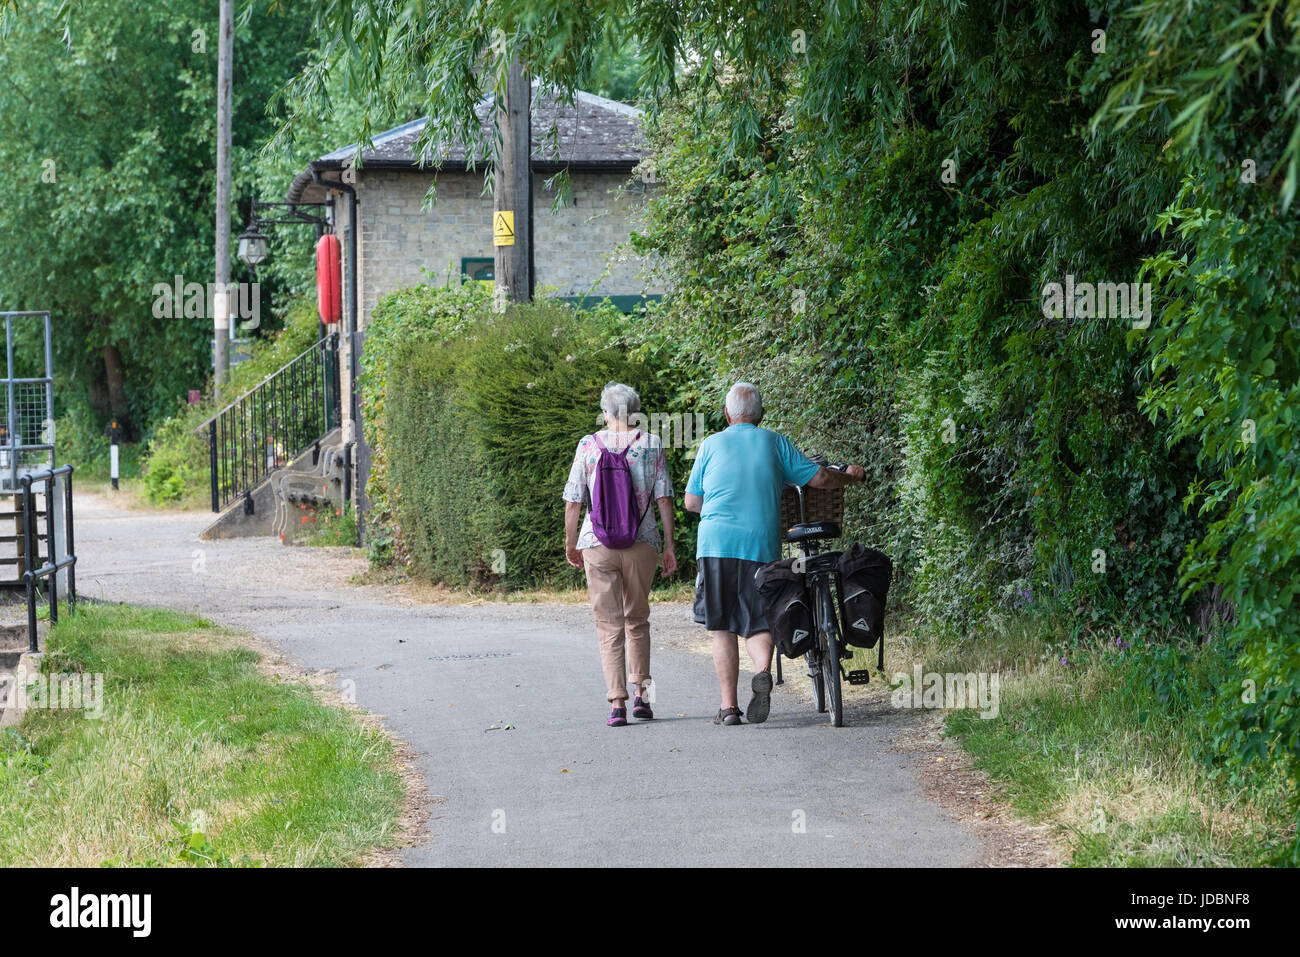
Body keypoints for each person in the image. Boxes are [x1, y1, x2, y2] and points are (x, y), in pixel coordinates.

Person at [684, 382, 864, 726]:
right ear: (761, 415)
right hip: (759, 543)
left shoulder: (710, 444)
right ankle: (762, 671)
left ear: (726, 414)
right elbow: (821, 478)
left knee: (721, 626)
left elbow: (692, 502)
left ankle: (728, 708)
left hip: (715, 543)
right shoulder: (772, 441)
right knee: (758, 620)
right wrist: (852, 479)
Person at [564, 383, 677, 727]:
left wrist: (571, 543)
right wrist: (669, 545)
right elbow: (665, 498)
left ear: (605, 412)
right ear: (635, 409)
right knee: (637, 620)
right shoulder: (651, 443)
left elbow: (573, 501)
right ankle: (643, 695)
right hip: (641, 543)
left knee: (608, 624)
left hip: (597, 543)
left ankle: (617, 704)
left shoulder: (588, 445)